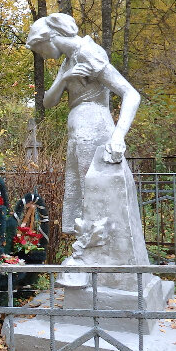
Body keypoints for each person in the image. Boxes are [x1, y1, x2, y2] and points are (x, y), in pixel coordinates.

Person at [25, 13, 141, 234]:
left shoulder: (88, 52)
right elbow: (48, 102)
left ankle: (101, 248)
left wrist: (118, 137)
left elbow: (130, 94)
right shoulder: (69, 60)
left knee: (96, 194)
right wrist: (65, 78)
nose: (42, 55)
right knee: (84, 195)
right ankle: (91, 248)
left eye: (40, 50)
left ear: (50, 38)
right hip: (79, 134)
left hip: (95, 130)